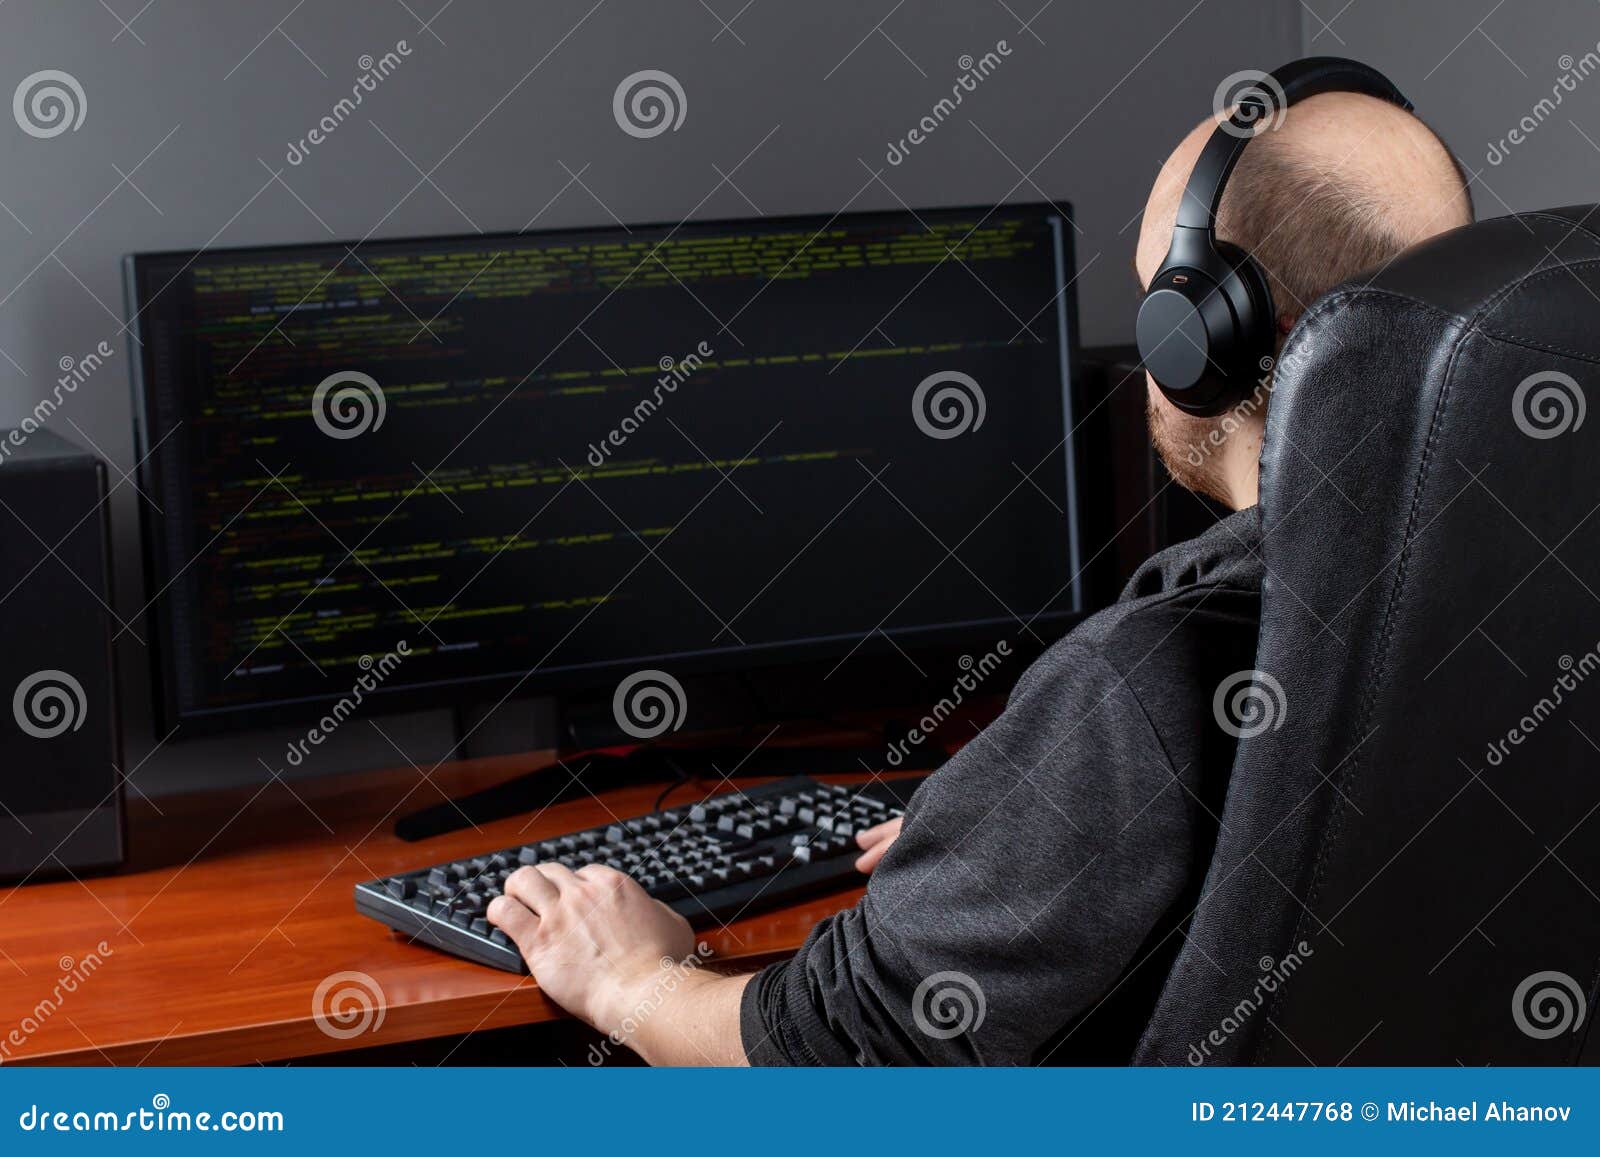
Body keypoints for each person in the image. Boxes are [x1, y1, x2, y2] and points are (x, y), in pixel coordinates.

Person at [487, 88, 1474, 1065]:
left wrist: (630, 978)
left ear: (1200, 339)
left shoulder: (1151, 677)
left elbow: (830, 1070)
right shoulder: (1518, 590)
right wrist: (1011, 823)